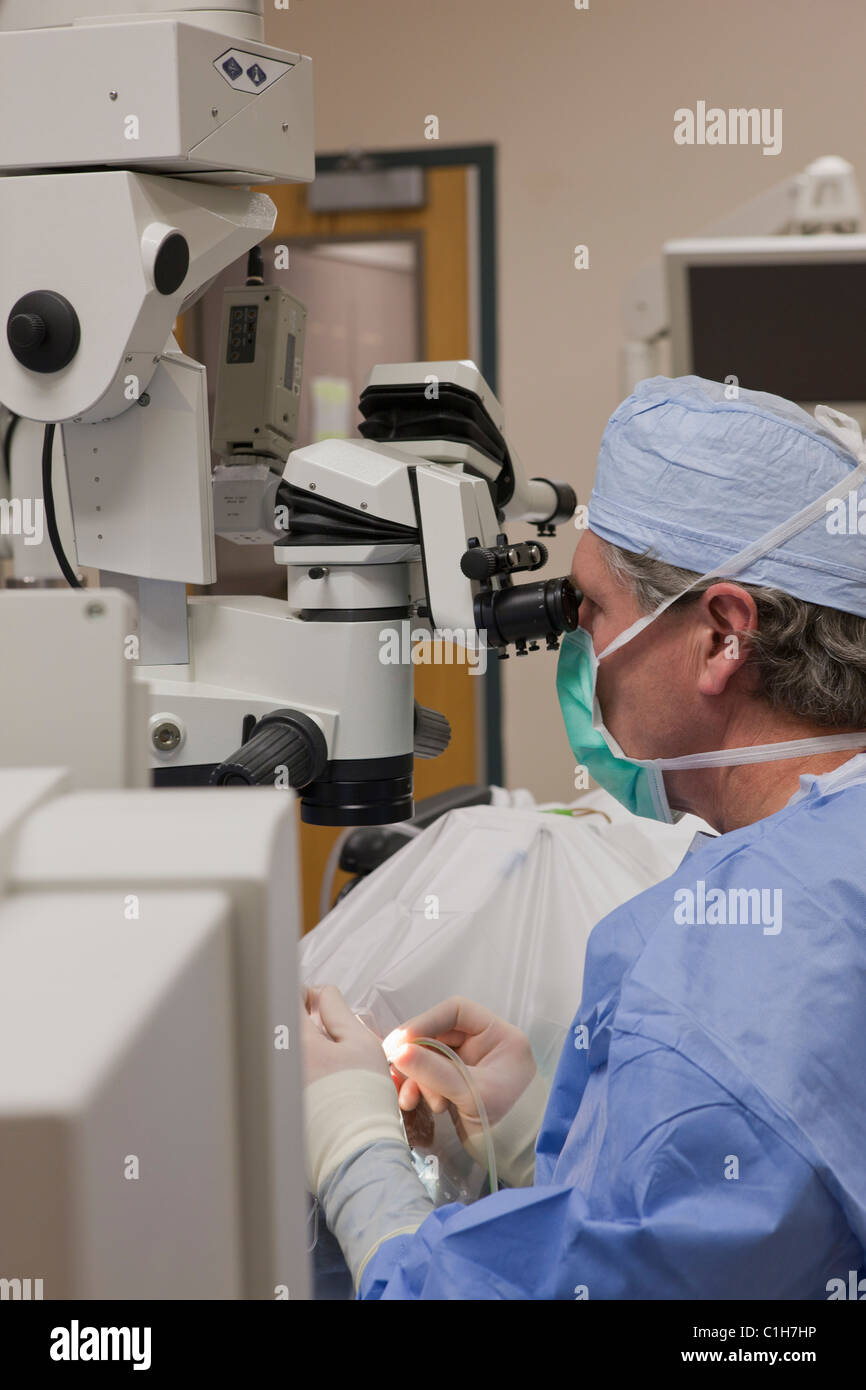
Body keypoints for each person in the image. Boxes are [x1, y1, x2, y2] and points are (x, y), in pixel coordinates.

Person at [302, 376, 866, 1299]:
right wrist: (519, 1141)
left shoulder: (729, 982)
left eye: (591, 610)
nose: (578, 648)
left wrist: (352, 1144)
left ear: (724, 634)